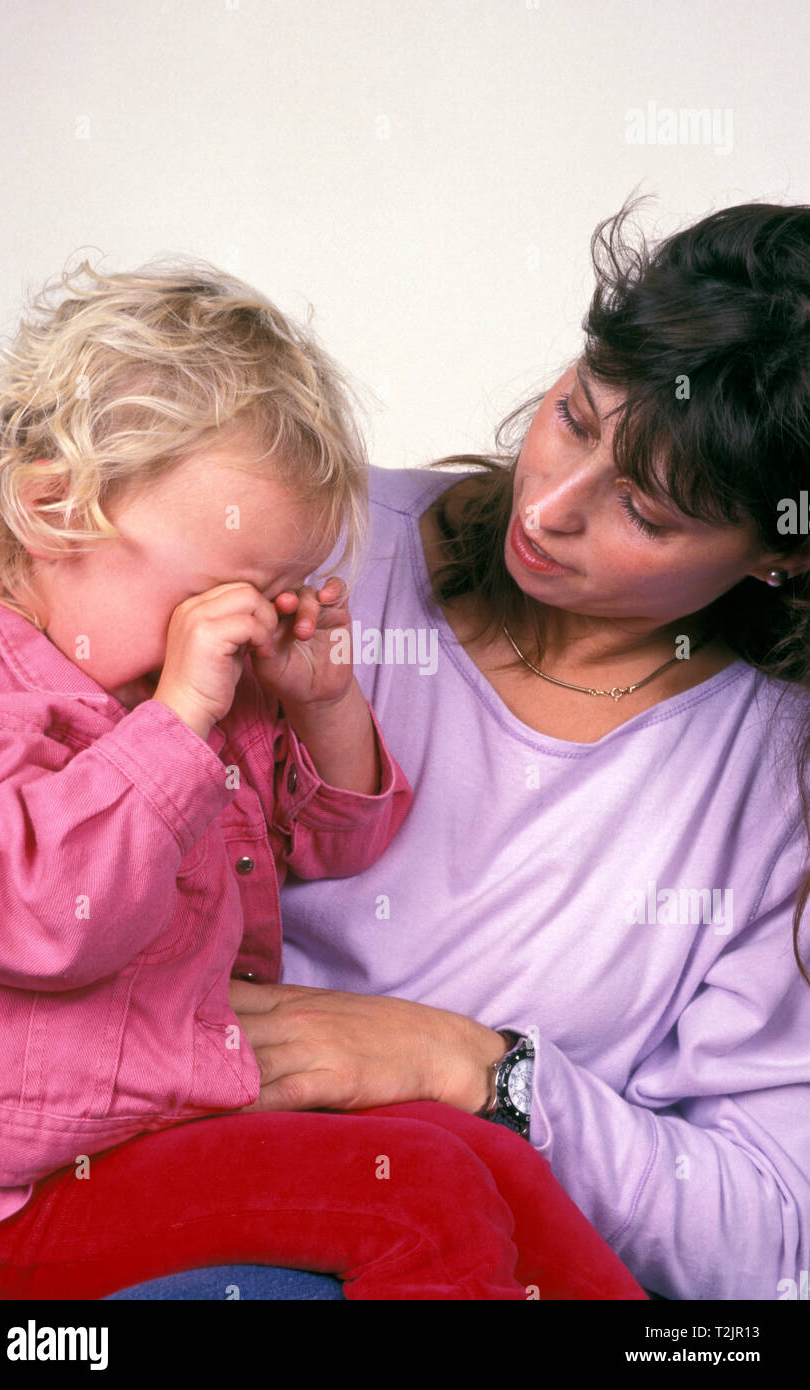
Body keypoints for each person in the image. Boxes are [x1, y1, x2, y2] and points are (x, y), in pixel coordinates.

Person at [0, 259, 647, 1301]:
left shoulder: (178, 685)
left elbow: (328, 847)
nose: (250, 624)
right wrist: (178, 720)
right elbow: (43, 916)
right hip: (19, 1185)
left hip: (170, 1117)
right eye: (227, 593)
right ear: (57, 510)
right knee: (415, 1196)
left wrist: (320, 703)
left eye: (279, 593)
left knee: (487, 1155)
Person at [224, 196, 810, 1302]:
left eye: (645, 512)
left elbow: (768, 1242)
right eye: (576, 419)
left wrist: (471, 1068)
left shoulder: (777, 785)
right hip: (156, 1195)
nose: (549, 509)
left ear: (780, 555)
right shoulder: (312, 545)